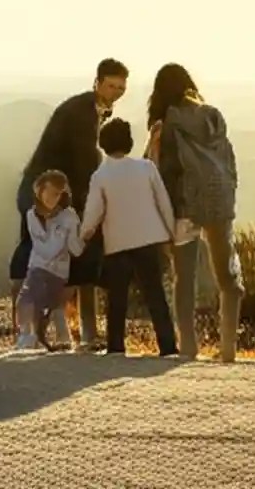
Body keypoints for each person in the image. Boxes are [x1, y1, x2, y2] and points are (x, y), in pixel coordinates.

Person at [11, 58, 129, 349]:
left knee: (53, 259)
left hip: (50, 191)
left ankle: (51, 333)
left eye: (121, 87)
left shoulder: (90, 109)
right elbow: (84, 163)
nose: (116, 92)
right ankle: (49, 333)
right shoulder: (83, 113)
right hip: (45, 194)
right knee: (53, 259)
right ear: (97, 82)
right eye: (111, 85)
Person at [145, 63, 245, 362]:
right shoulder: (213, 116)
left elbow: (158, 169)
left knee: (183, 277)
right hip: (219, 203)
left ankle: (188, 348)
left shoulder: (166, 124)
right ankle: (229, 349)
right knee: (227, 275)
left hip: (185, 205)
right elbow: (229, 161)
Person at [80, 118, 179, 356]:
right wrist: (171, 233)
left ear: (102, 144)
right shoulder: (146, 168)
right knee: (155, 294)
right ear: (129, 142)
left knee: (117, 297)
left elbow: (93, 212)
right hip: (149, 238)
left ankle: (116, 347)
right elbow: (163, 201)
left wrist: (84, 233)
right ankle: (167, 347)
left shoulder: (100, 176)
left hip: (118, 243)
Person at [14, 170, 85, 351]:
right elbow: (43, 248)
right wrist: (61, 235)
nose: (53, 198)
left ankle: (51, 338)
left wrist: (78, 232)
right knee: (28, 299)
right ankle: (28, 336)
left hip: (58, 270)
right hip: (38, 266)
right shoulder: (32, 215)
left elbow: (75, 249)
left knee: (49, 303)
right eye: (50, 192)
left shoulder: (68, 216)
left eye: (57, 194)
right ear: (40, 191)